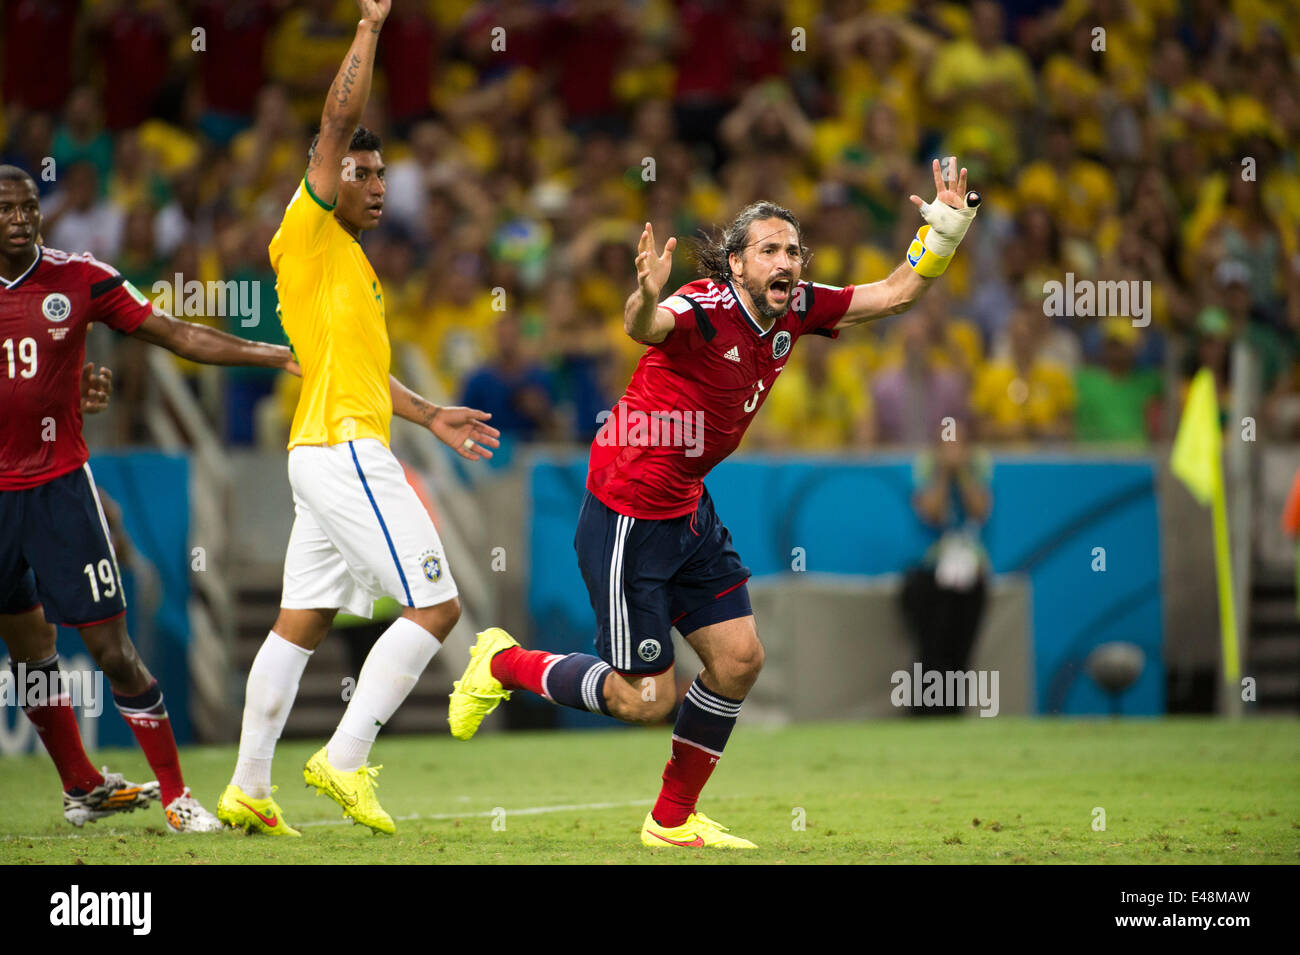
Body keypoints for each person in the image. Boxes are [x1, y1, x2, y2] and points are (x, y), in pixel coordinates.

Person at [450, 158, 978, 849]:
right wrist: (642, 296)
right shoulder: (703, 305)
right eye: (769, 250)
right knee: (646, 699)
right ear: (735, 264)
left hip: (686, 506)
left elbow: (896, 292)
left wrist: (943, 225)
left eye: (793, 249)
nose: (786, 261)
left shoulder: (799, 309)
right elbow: (648, 325)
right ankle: (500, 662)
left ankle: (670, 819)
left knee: (739, 658)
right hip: (627, 512)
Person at [215, 0, 501, 838]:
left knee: (297, 624)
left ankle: (246, 785)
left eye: (381, 177)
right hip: (342, 453)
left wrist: (428, 414)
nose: (375, 187)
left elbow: (365, 374)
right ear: (326, 172)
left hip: (330, 445)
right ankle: (342, 758)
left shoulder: (355, 268)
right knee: (439, 606)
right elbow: (337, 116)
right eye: (361, 174)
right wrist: (371, 26)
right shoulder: (306, 233)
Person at [0, 163, 297, 832]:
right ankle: (80, 782)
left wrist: (271, 353)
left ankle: (175, 795)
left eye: (28, 208)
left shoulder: (80, 276)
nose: (20, 219)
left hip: (58, 488)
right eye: (6, 210)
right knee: (30, 649)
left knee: (112, 648)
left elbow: (179, 332)